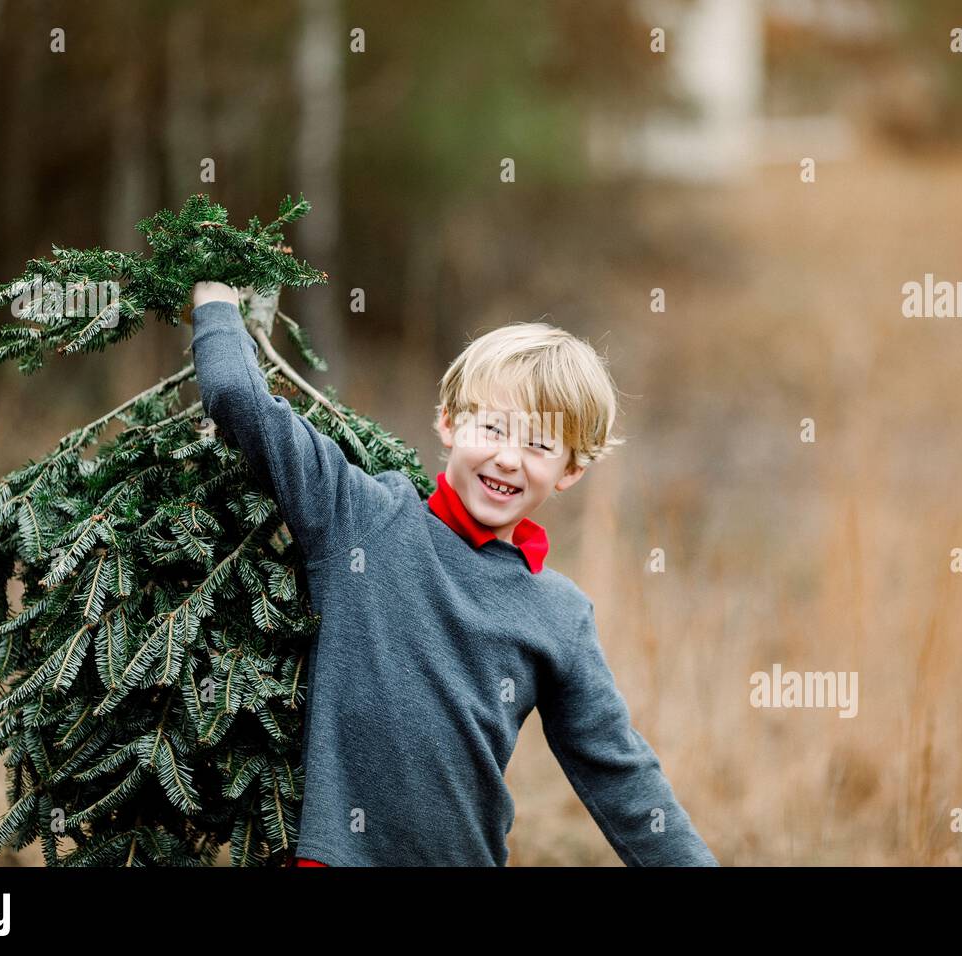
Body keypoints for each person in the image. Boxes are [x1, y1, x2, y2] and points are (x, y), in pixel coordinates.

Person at [189, 280, 718, 866]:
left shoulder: (558, 615)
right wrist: (217, 299)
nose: (508, 458)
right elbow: (238, 396)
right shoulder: (359, 517)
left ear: (570, 471)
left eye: (539, 444)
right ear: (447, 423)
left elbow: (622, 776)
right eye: (491, 428)